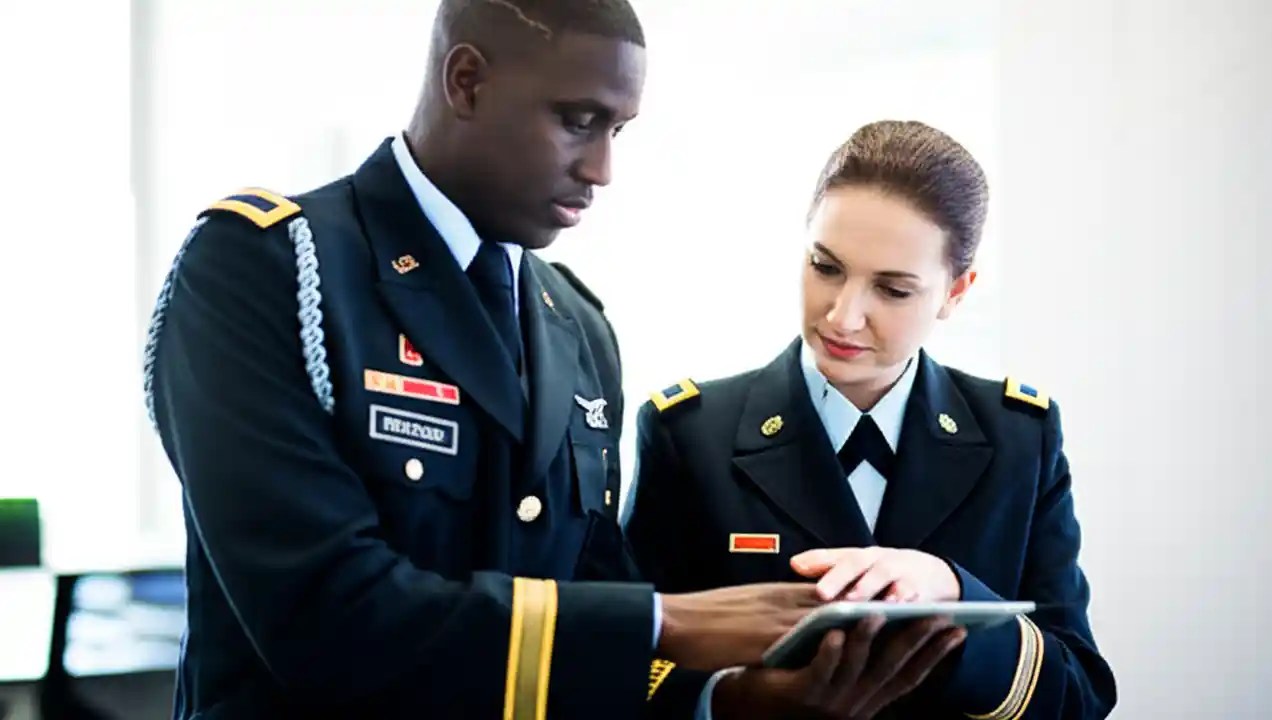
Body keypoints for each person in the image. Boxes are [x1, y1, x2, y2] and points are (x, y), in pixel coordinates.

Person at [143, 2, 949, 718]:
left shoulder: (578, 326)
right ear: (466, 81)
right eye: (578, 120)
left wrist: (734, 700)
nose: (602, 169)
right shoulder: (274, 266)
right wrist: (668, 621)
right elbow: (319, 616)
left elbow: (588, 622)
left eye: (616, 131)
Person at [622, 120, 1118, 718]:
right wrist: (739, 701)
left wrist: (951, 590)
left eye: (893, 290)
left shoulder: (1019, 438)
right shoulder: (690, 434)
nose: (843, 316)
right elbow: (619, 665)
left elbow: (1080, 695)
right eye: (826, 267)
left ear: (956, 293)